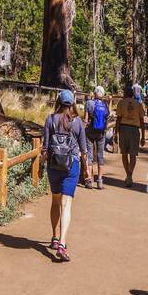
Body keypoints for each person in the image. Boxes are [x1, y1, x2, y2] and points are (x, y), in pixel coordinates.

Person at [41, 90, 88, 261]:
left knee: (55, 200)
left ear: (58, 102)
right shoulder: (77, 122)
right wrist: (87, 170)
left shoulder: (50, 119)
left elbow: (45, 148)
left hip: (53, 166)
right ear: (73, 103)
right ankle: (62, 243)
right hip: (71, 165)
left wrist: (41, 164)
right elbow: (84, 150)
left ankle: (54, 237)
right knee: (66, 204)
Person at [115, 84, 145, 186]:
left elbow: (118, 119)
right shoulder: (138, 104)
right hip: (134, 130)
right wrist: (143, 137)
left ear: (125, 94)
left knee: (124, 154)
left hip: (123, 129)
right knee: (133, 154)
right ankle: (130, 175)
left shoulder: (121, 103)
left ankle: (128, 175)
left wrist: (116, 133)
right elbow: (142, 121)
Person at [83, 85, 109, 189]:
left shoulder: (89, 103)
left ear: (94, 93)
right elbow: (107, 118)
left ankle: (89, 180)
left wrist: (83, 129)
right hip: (101, 133)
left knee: (89, 155)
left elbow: (85, 119)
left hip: (90, 132)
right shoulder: (105, 105)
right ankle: (100, 181)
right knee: (100, 156)